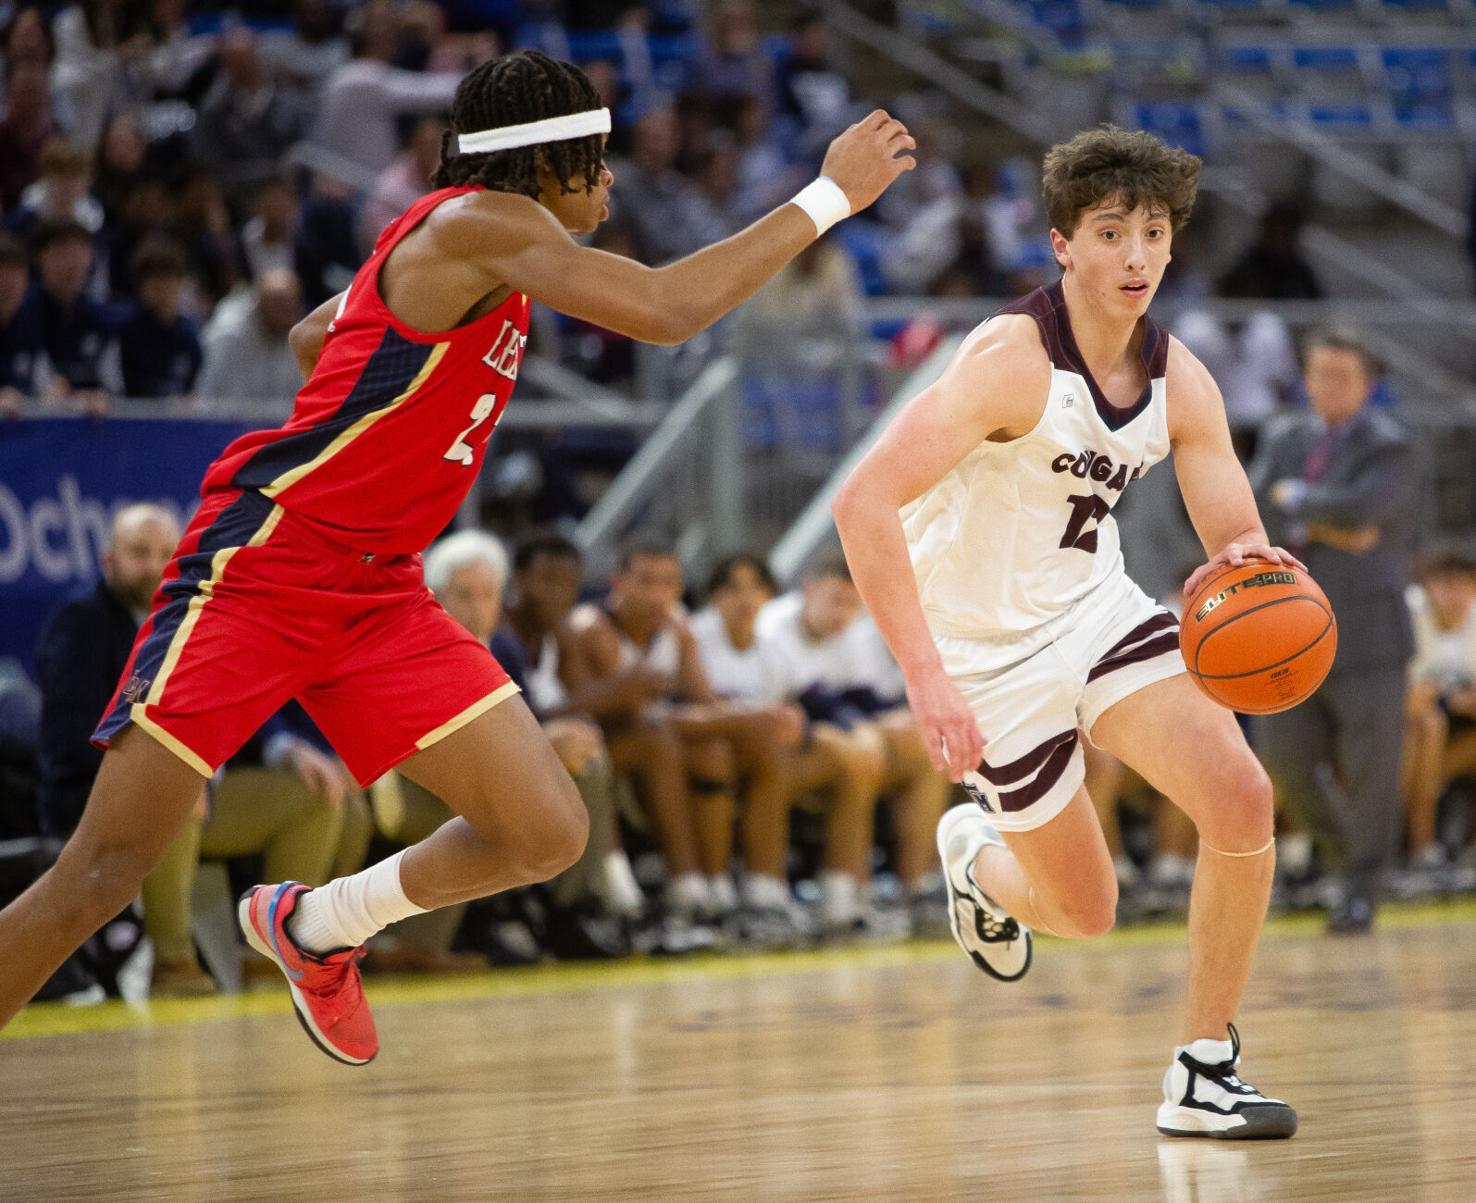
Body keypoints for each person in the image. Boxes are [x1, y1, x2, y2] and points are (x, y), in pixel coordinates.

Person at [0, 49, 914, 1060]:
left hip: (377, 590)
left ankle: (315, 926)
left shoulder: (470, 246)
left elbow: (320, 336)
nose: (609, 180)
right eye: (596, 159)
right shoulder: (485, 220)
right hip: (267, 568)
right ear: (543, 162)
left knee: (544, 831)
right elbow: (665, 311)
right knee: (103, 870)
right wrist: (833, 194)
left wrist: (384, 402)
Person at [831, 125, 1301, 1139]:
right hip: (979, 652)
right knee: (1087, 913)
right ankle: (977, 864)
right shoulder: (1011, 363)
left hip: (1094, 613)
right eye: (1110, 230)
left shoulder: (1185, 381)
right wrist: (925, 679)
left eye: (1154, 231)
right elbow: (861, 504)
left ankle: (1204, 1067)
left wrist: (1259, 566)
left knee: (1242, 794)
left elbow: (1233, 531)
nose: (1135, 254)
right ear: (1062, 244)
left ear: (1174, 245)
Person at [1250, 330, 1420, 933]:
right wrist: (1326, 518)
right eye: (1320, 373)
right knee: (1285, 764)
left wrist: (1298, 502)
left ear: (1367, 385)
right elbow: (1253, 510)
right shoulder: (1282, 436)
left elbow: (1365, 510)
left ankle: (1360, 890)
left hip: (1369, 636)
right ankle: (1350, 862)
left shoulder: (1390, 442)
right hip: (1289, 636)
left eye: (1343, 376)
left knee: (1371, 771)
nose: (1329, 386)